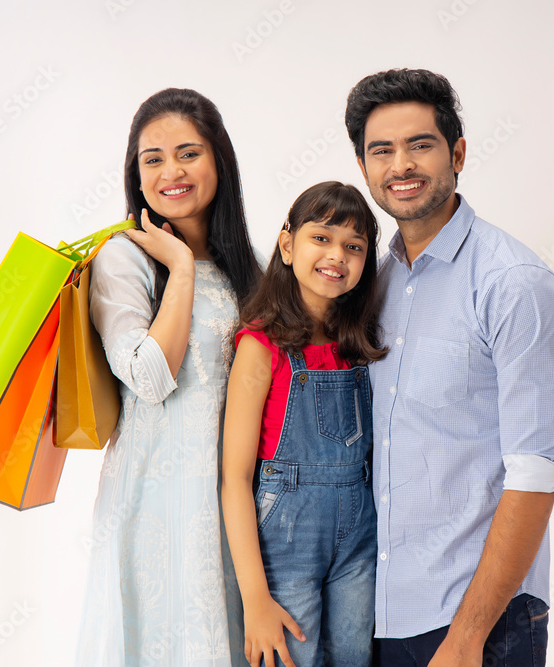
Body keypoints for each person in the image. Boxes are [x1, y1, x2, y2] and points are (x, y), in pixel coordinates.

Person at [344, 68, 554, 666]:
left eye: (420, 144)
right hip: (382, 618)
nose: (401, 165)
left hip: (480, 625)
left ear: (458, 154)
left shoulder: (513, 284)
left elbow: (537, 471)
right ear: (364, 167)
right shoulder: (374, 284)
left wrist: (468, 636)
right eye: (381, 150)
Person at [76, 88, 261, 666]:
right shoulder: (122, 259)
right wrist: (180, 267)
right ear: (136, 175)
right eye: (152, 159)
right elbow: (150, 378)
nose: (171, 172)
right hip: (153, 504)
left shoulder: (246, 269)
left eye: (188, 153)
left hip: (232, 504)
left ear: (219, 161)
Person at [221, 181, 387, 667]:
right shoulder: (260, 345)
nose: (337, 255)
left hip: (360, 536)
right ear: (287, 245)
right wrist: (255, 599)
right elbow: (235, 479)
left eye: (354, 246)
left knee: (355, 656)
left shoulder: (361, 344)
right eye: (322, 238)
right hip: (286, 539)